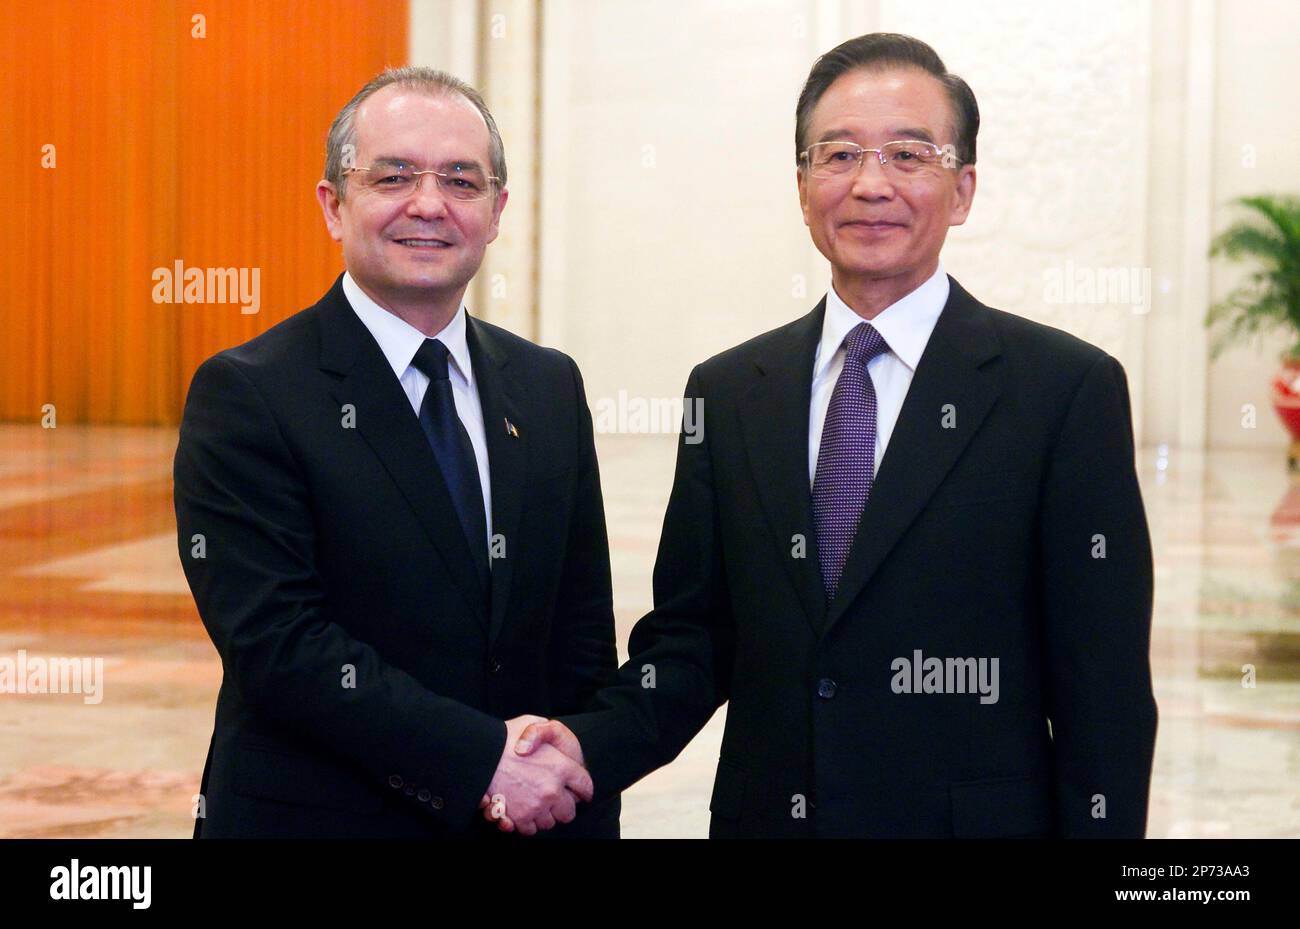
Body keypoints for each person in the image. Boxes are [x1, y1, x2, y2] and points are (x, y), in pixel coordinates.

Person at [515, 33, 1157, 838]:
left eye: (908, 155)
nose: (871, 184)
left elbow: (1105, 694)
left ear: (961, 189)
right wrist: (579, 746)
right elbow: (693, 642)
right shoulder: (729, 392)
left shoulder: (1063, 391)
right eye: (840, 154)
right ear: (802, 184)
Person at [174, 67, 617, 838]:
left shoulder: (547, 387)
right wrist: (483, 758)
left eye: (460, 180)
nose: (428, 203)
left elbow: (579, 640)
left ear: (498, 210)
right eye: (395, 175)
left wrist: (575, 793)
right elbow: (281, 646)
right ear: (333, 204)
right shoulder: (249, 394)